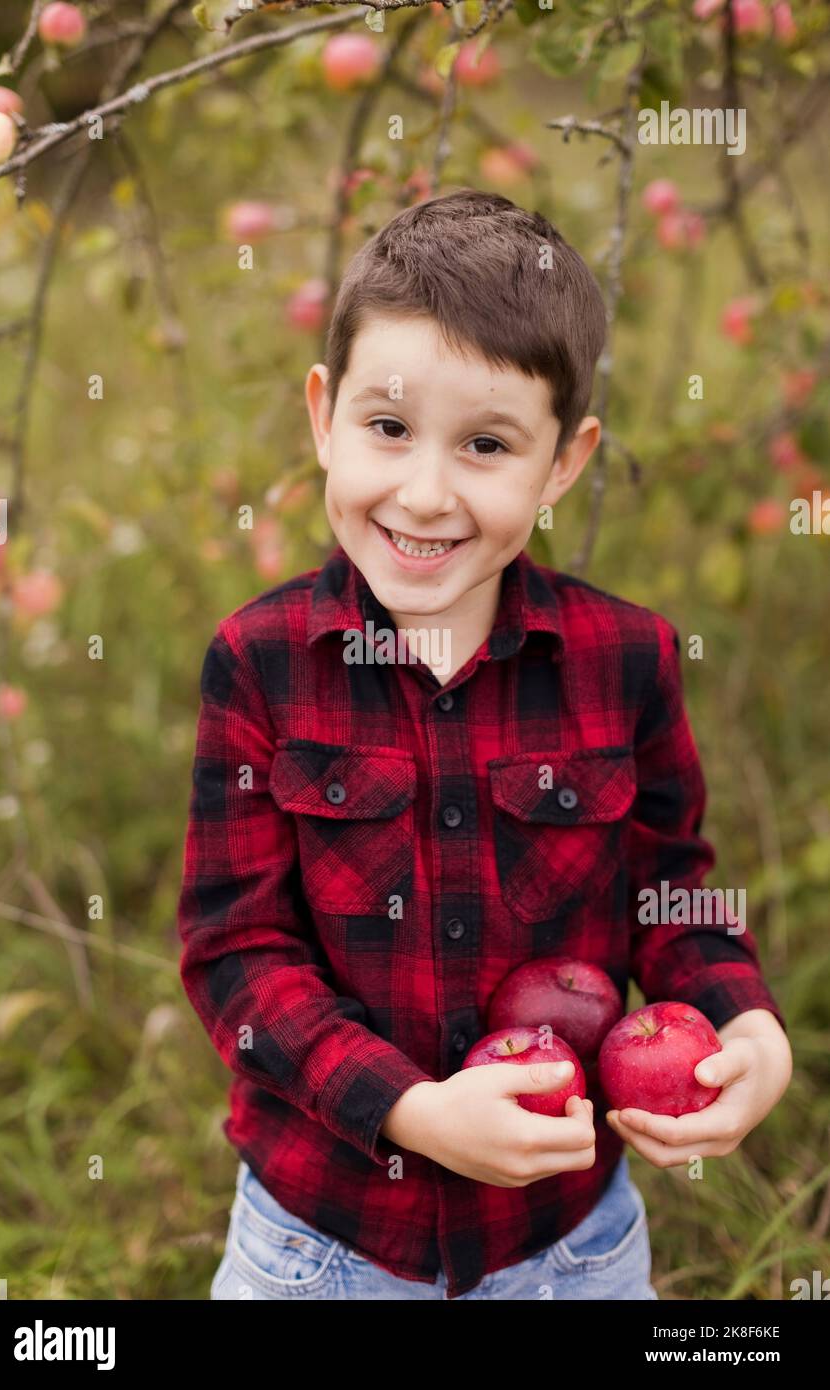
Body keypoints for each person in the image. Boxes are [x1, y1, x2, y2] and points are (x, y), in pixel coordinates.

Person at [176, 190, 792, 1301]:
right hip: (320, 1243)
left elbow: (670, 889)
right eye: (387, 428)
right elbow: (235, 951)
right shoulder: (259, 661)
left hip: (565, 1249)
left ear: (562, 463)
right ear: (321, 414)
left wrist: (740, 1017)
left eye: (487, 444)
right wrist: (405, 1109)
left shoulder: (626, 659)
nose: (424, 492)